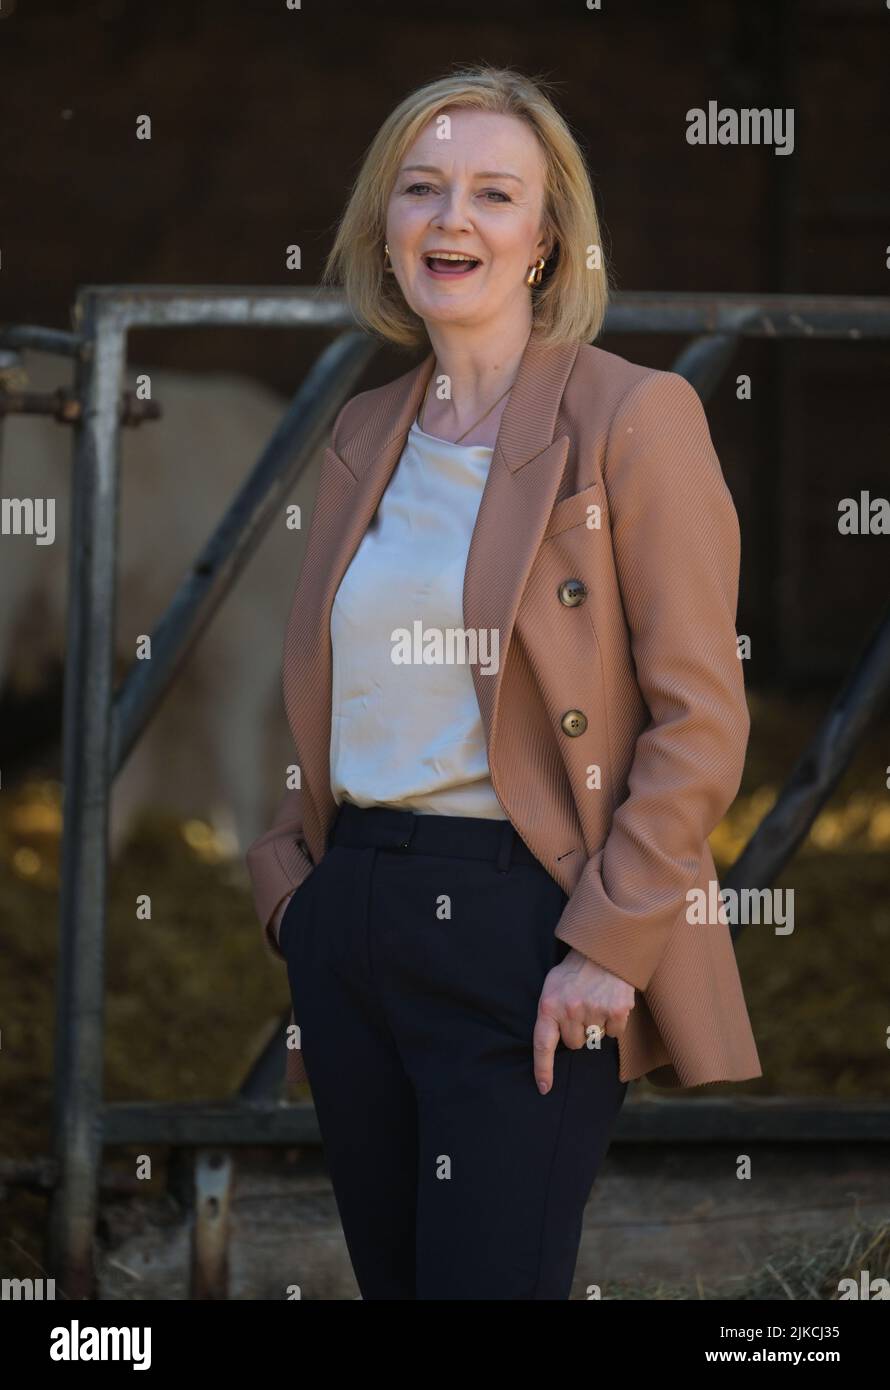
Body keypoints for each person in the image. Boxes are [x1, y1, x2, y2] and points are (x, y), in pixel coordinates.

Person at [246, 63, 761, 1301]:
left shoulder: (634, 417)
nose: (452, 219)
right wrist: (292, 898)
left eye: (492, 192)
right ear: (386, 225)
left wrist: (608, 949)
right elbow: (325, 688)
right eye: (420, 190)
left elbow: (700, 718)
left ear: (544, 237)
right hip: (354, 916)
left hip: (528, 931)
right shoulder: (363, 432)